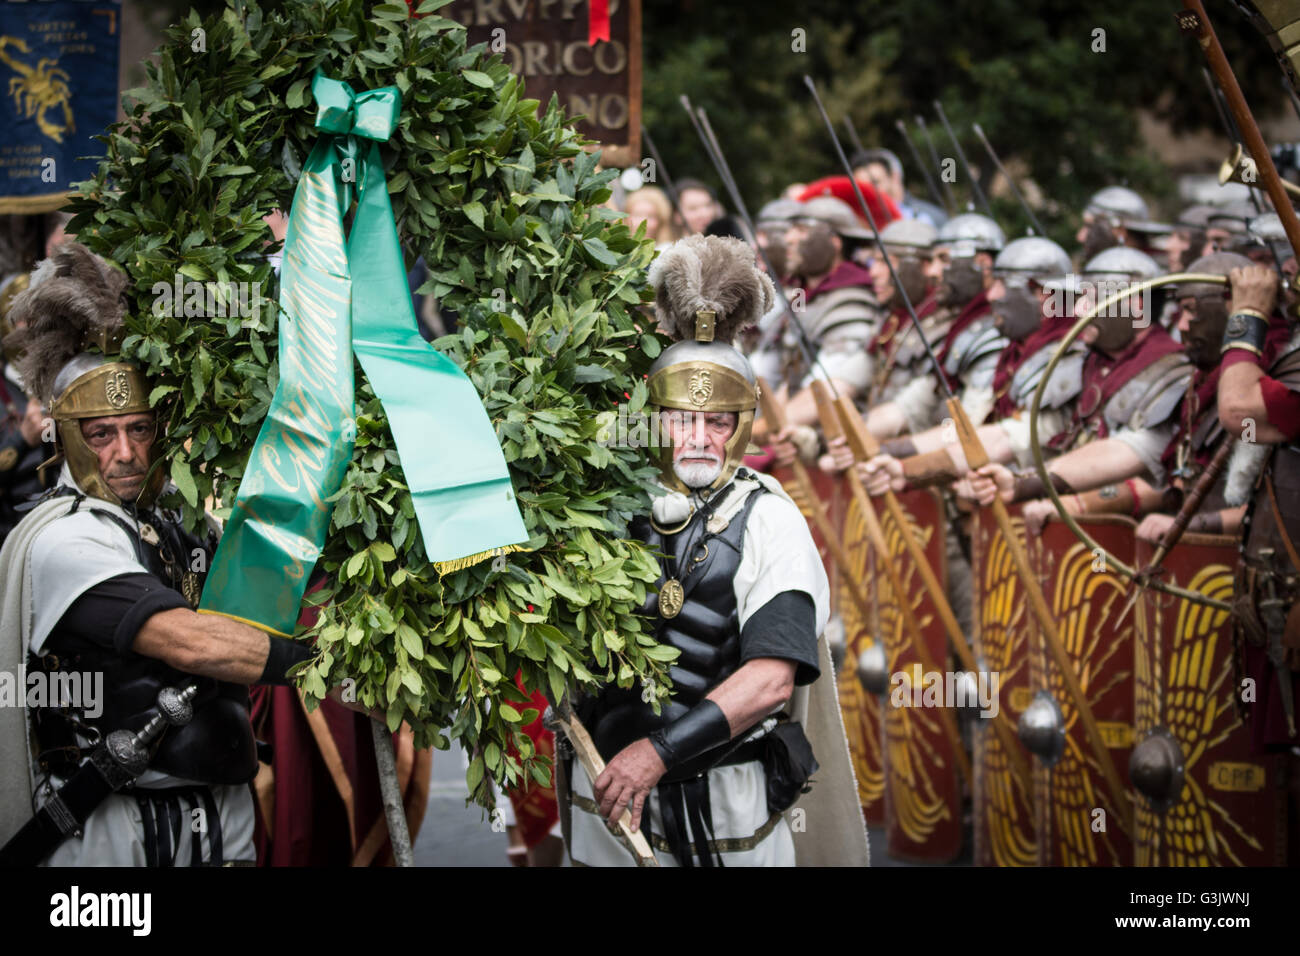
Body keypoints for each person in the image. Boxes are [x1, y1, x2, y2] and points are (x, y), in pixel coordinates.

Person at [0, 244, 350, 866]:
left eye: (140, 429)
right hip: (109, 820)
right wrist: (319, 665)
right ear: (67, 438)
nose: (126, 452)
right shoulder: (64, 538)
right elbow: (190, 642)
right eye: (101, 435)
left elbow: (265, 599)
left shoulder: (181, 520)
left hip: (220, 806)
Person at [562, 235, 866, 867]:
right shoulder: (607, 504)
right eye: (680, 419)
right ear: (654, 417)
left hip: (724, 808)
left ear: (743, 425)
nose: (699, 437)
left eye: (718, 422)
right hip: (606, 798)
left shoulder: (771, 522)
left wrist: (656, 755)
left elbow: (770, 680)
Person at [852, 147, 946, 227]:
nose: (868, 191)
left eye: (875, 182)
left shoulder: (929, 217)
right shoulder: (858, 221)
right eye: (861, 187)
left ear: (894, 177)